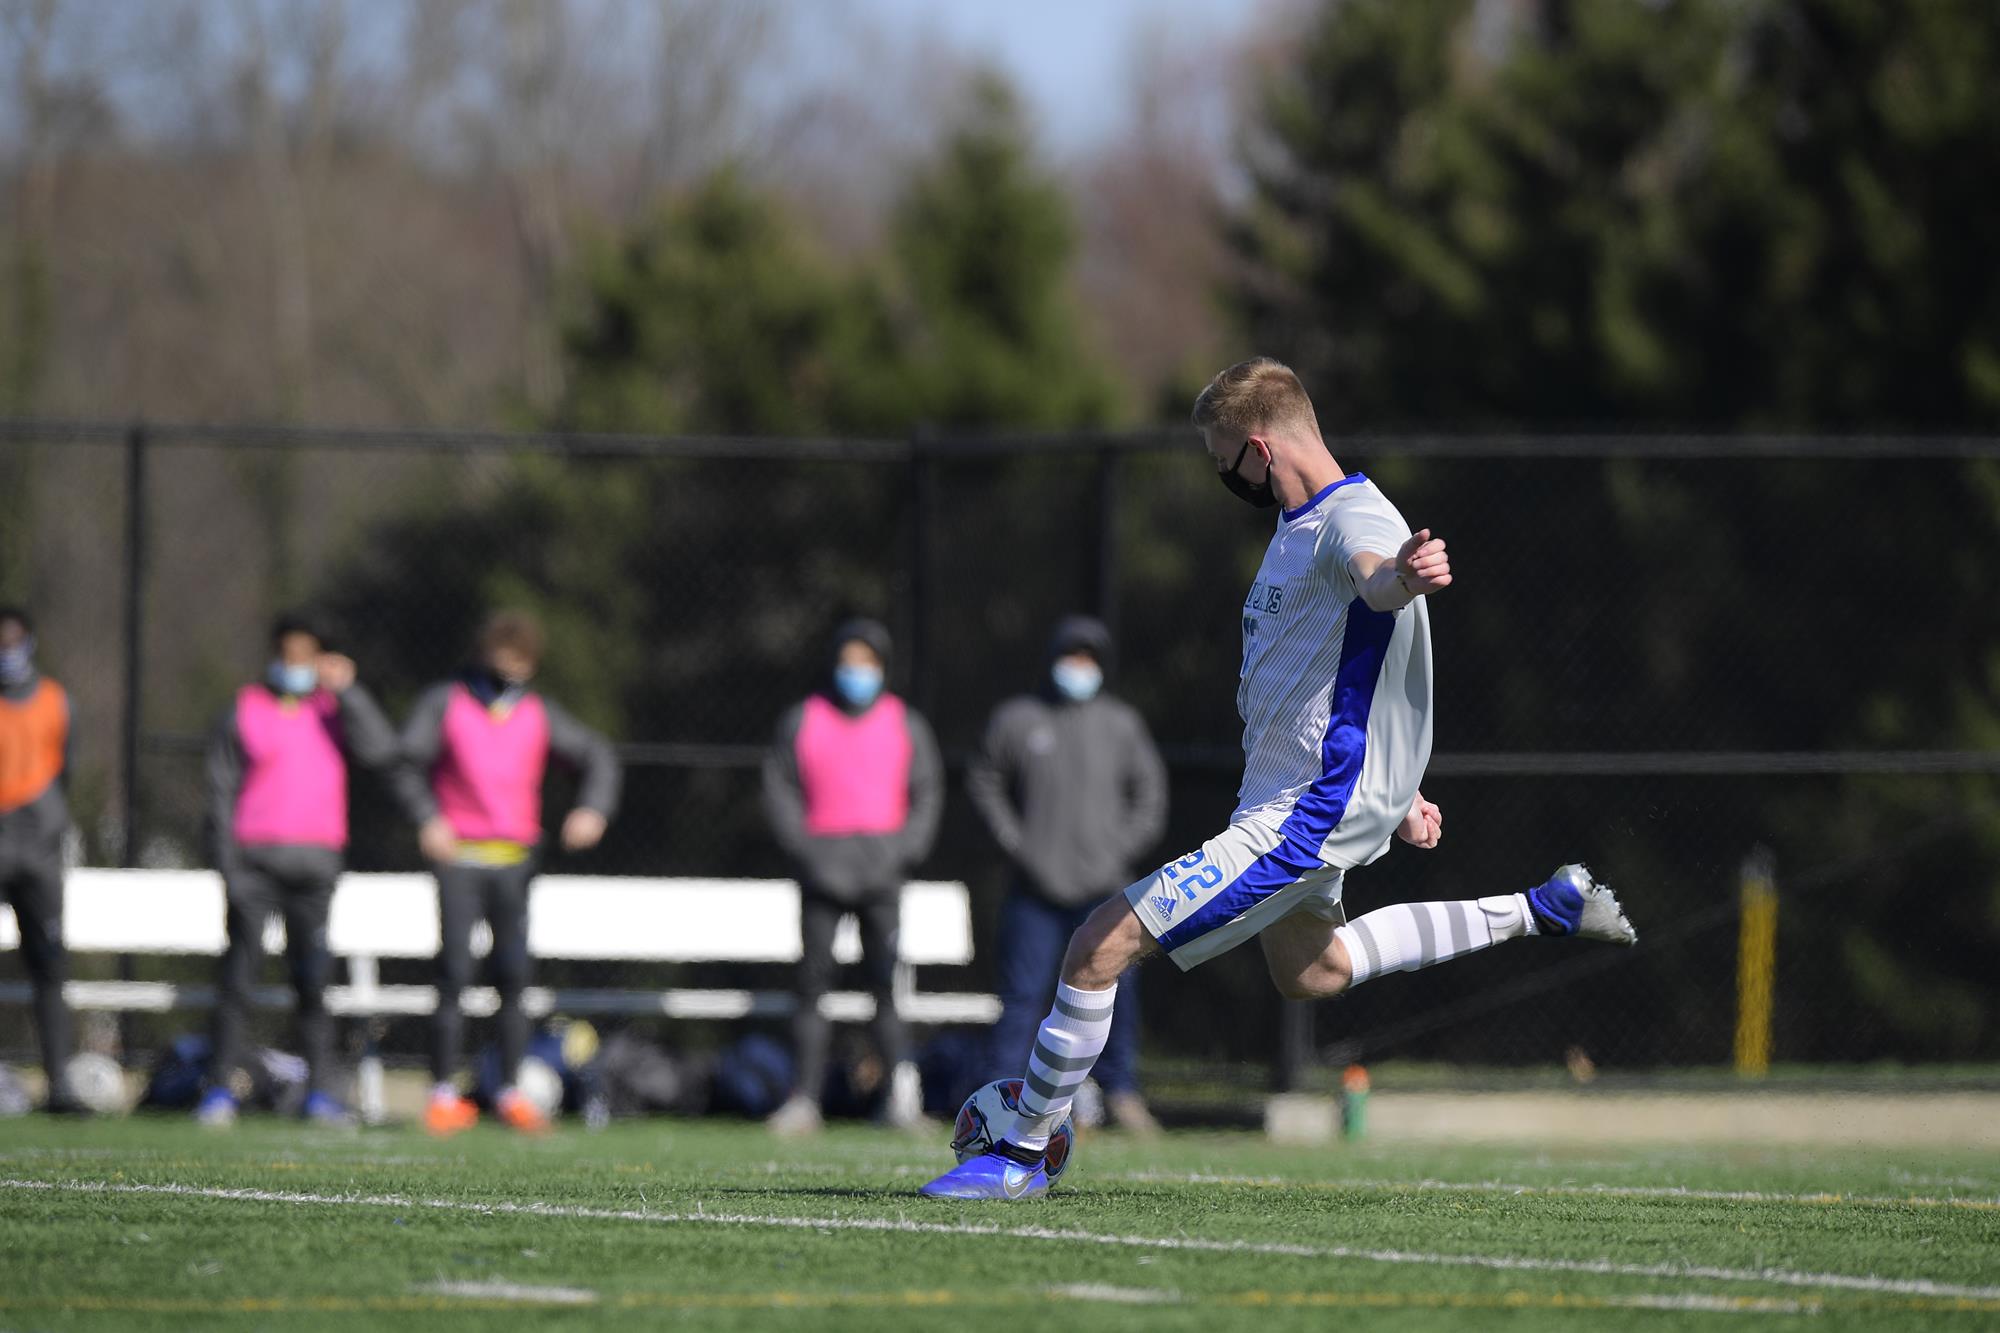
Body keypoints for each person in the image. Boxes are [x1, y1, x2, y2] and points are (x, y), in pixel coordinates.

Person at [922, 357, 1638, 1199]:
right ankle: (1538, 907)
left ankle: (1021, 1154)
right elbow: (1339, 671)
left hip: (1300, 818)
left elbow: (1378, 580)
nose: (1222, 474)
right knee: (1315, 971)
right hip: (1306, 801)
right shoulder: (1298, 525)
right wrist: (1395, 787)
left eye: (1223, 457)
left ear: (1259, 448)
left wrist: (1402, 576)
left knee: (1094, 947)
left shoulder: (1352, 518)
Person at [392, 609, 621, 1136]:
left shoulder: (537, 712)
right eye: (504, 659)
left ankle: (511, 1091)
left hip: (515, 862)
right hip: (459, 859)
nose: (512, 670)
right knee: (453, 974)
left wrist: (593, 808)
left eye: (523, 662)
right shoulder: (446, 703)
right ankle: (443, 1094)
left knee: (514, 977)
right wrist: (427, 817)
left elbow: (597, 756)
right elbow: (405, 763)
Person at [196, 612, 399, 1127]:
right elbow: (219, 791)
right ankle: (219, 1090)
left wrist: (350, 691)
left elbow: (382, 752)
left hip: (315, 868)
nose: (296, 666)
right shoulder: (247, 708)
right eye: (289, 655)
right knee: (238, 980)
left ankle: (319, 1095)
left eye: (306, 656)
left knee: (313, 984)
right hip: (254, 867)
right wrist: (229, 867)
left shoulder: (337, 710)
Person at [967, 614, 1168, 1134]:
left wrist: (1115, 852)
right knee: (1022, 1000)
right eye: (1070, 655)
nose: (1078, 667)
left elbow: (1150, 798)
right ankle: (1000, 1098)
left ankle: (1123, 1094)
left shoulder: (1122, 725)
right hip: (1033, 891)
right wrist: (1017, 843)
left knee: (1115, 996)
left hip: (1104, 893)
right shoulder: (1018, 719)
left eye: (1088, 658)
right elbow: (984, 781)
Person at [762, 618, 943, 1135]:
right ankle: (804, 1101)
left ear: (882, 668)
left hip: (882, 876)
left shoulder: (905, 724)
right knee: (811, 988)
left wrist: (901, 851)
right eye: (848, 661)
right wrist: (805, 848)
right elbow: (778, 788)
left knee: (885, 990)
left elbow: (926, 794)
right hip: (821, 874)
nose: (856, 672)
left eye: (867, 662)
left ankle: (898, 1101)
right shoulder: (803, 720)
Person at [0, 606, 82, 1113]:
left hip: (39, 855)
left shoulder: (56, 701)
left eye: (13, 641)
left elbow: (66, 769)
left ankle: (61, 1087)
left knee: (49, 967)